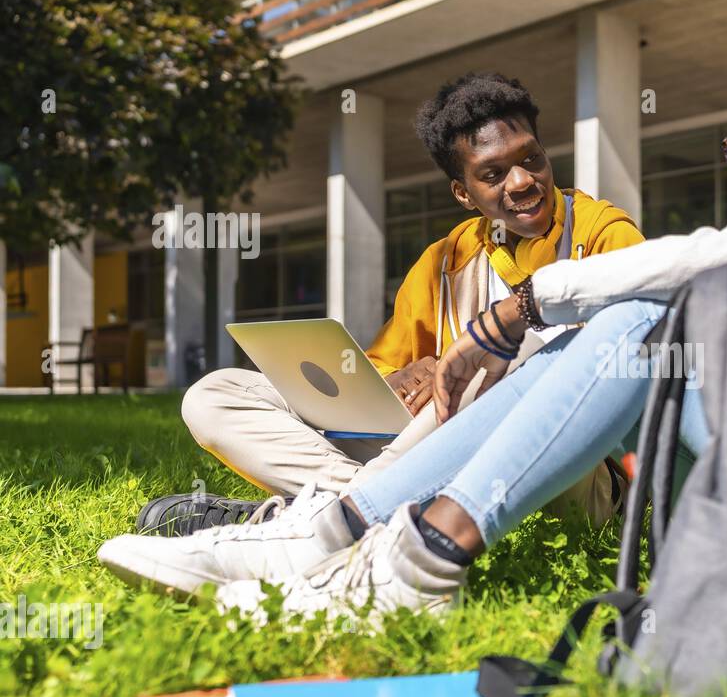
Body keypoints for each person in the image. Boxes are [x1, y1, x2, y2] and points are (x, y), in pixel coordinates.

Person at [100, 46, 727, 619]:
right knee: (641, 326)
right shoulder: (446, 255)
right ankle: (342, 530)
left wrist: (516, 309)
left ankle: (402, 551)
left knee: (644, 319)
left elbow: (702, 263)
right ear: (461, 191)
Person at [135, 73, 643, 538]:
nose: (522, 181)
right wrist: (399, 380)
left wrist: (456, 367)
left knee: (498, 363)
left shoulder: (602, 233)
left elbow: (630, 365)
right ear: (463, 193)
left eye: (531, 158)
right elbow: (376, 378)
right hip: (438, 461)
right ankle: (368, 513)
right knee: (214, 395)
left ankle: (321, 519)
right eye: (493, 174)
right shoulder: (443, 261)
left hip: (576, 477)